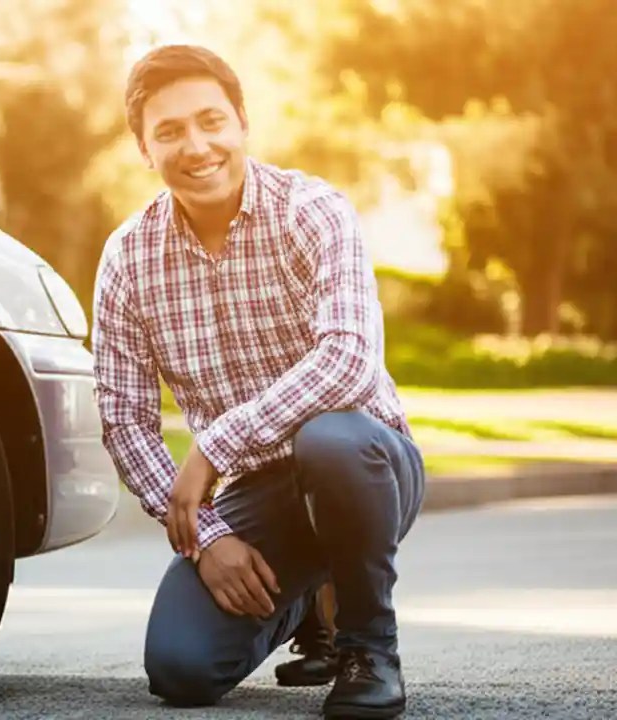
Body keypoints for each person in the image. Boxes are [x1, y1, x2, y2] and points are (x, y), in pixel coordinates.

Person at [91, 44, 425, 719]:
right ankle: (306, 595)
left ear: (242, 122)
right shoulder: (127, 257)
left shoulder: (313, 210)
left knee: (330, 442)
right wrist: (207, 537)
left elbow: (350, 360)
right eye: (169, 131)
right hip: (260, 496)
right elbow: (124, 419)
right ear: (143, 150)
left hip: (366, 461)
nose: (197, 145)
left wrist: (215, 445)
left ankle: (369, 648)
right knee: (180, 669)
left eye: (211, 120)